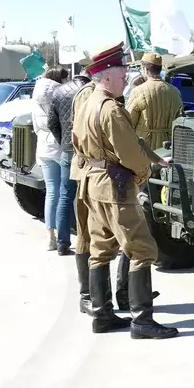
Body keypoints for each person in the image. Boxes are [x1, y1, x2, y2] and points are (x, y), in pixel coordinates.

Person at [72, 42, 177, 339]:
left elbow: (79, 143)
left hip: (92, 182)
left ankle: (102, 315)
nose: (125, 78)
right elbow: (129, 152)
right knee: (142, 250)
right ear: (106, 76)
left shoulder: (87, 102)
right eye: (121, 73)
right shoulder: (110, 109)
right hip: (115, 185)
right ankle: (142, 320)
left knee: (100, 249)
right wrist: (143, 173)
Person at [48, 66, 90, 259]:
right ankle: (85, 240)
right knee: (86, 198)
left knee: (65, 195)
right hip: (86, 150)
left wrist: (63, 141)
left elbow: (52, 123)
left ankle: (63, 243)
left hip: (67, 149)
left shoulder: (58, 91)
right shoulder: (91, 92)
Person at [32, 67, 68, 250]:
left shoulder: (36, 96)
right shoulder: (60, 95)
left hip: (44, 148)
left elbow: (36, 125)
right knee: (66, 192)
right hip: (60, 147)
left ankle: (50, 237)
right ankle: (64, 236)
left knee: (51, 193)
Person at [126, 52, 182, 151]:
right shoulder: (175, 92)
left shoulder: (138, 91)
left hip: (143, 147)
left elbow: (128, 122)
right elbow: (179, 122)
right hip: (167, 147)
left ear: (145, 69)